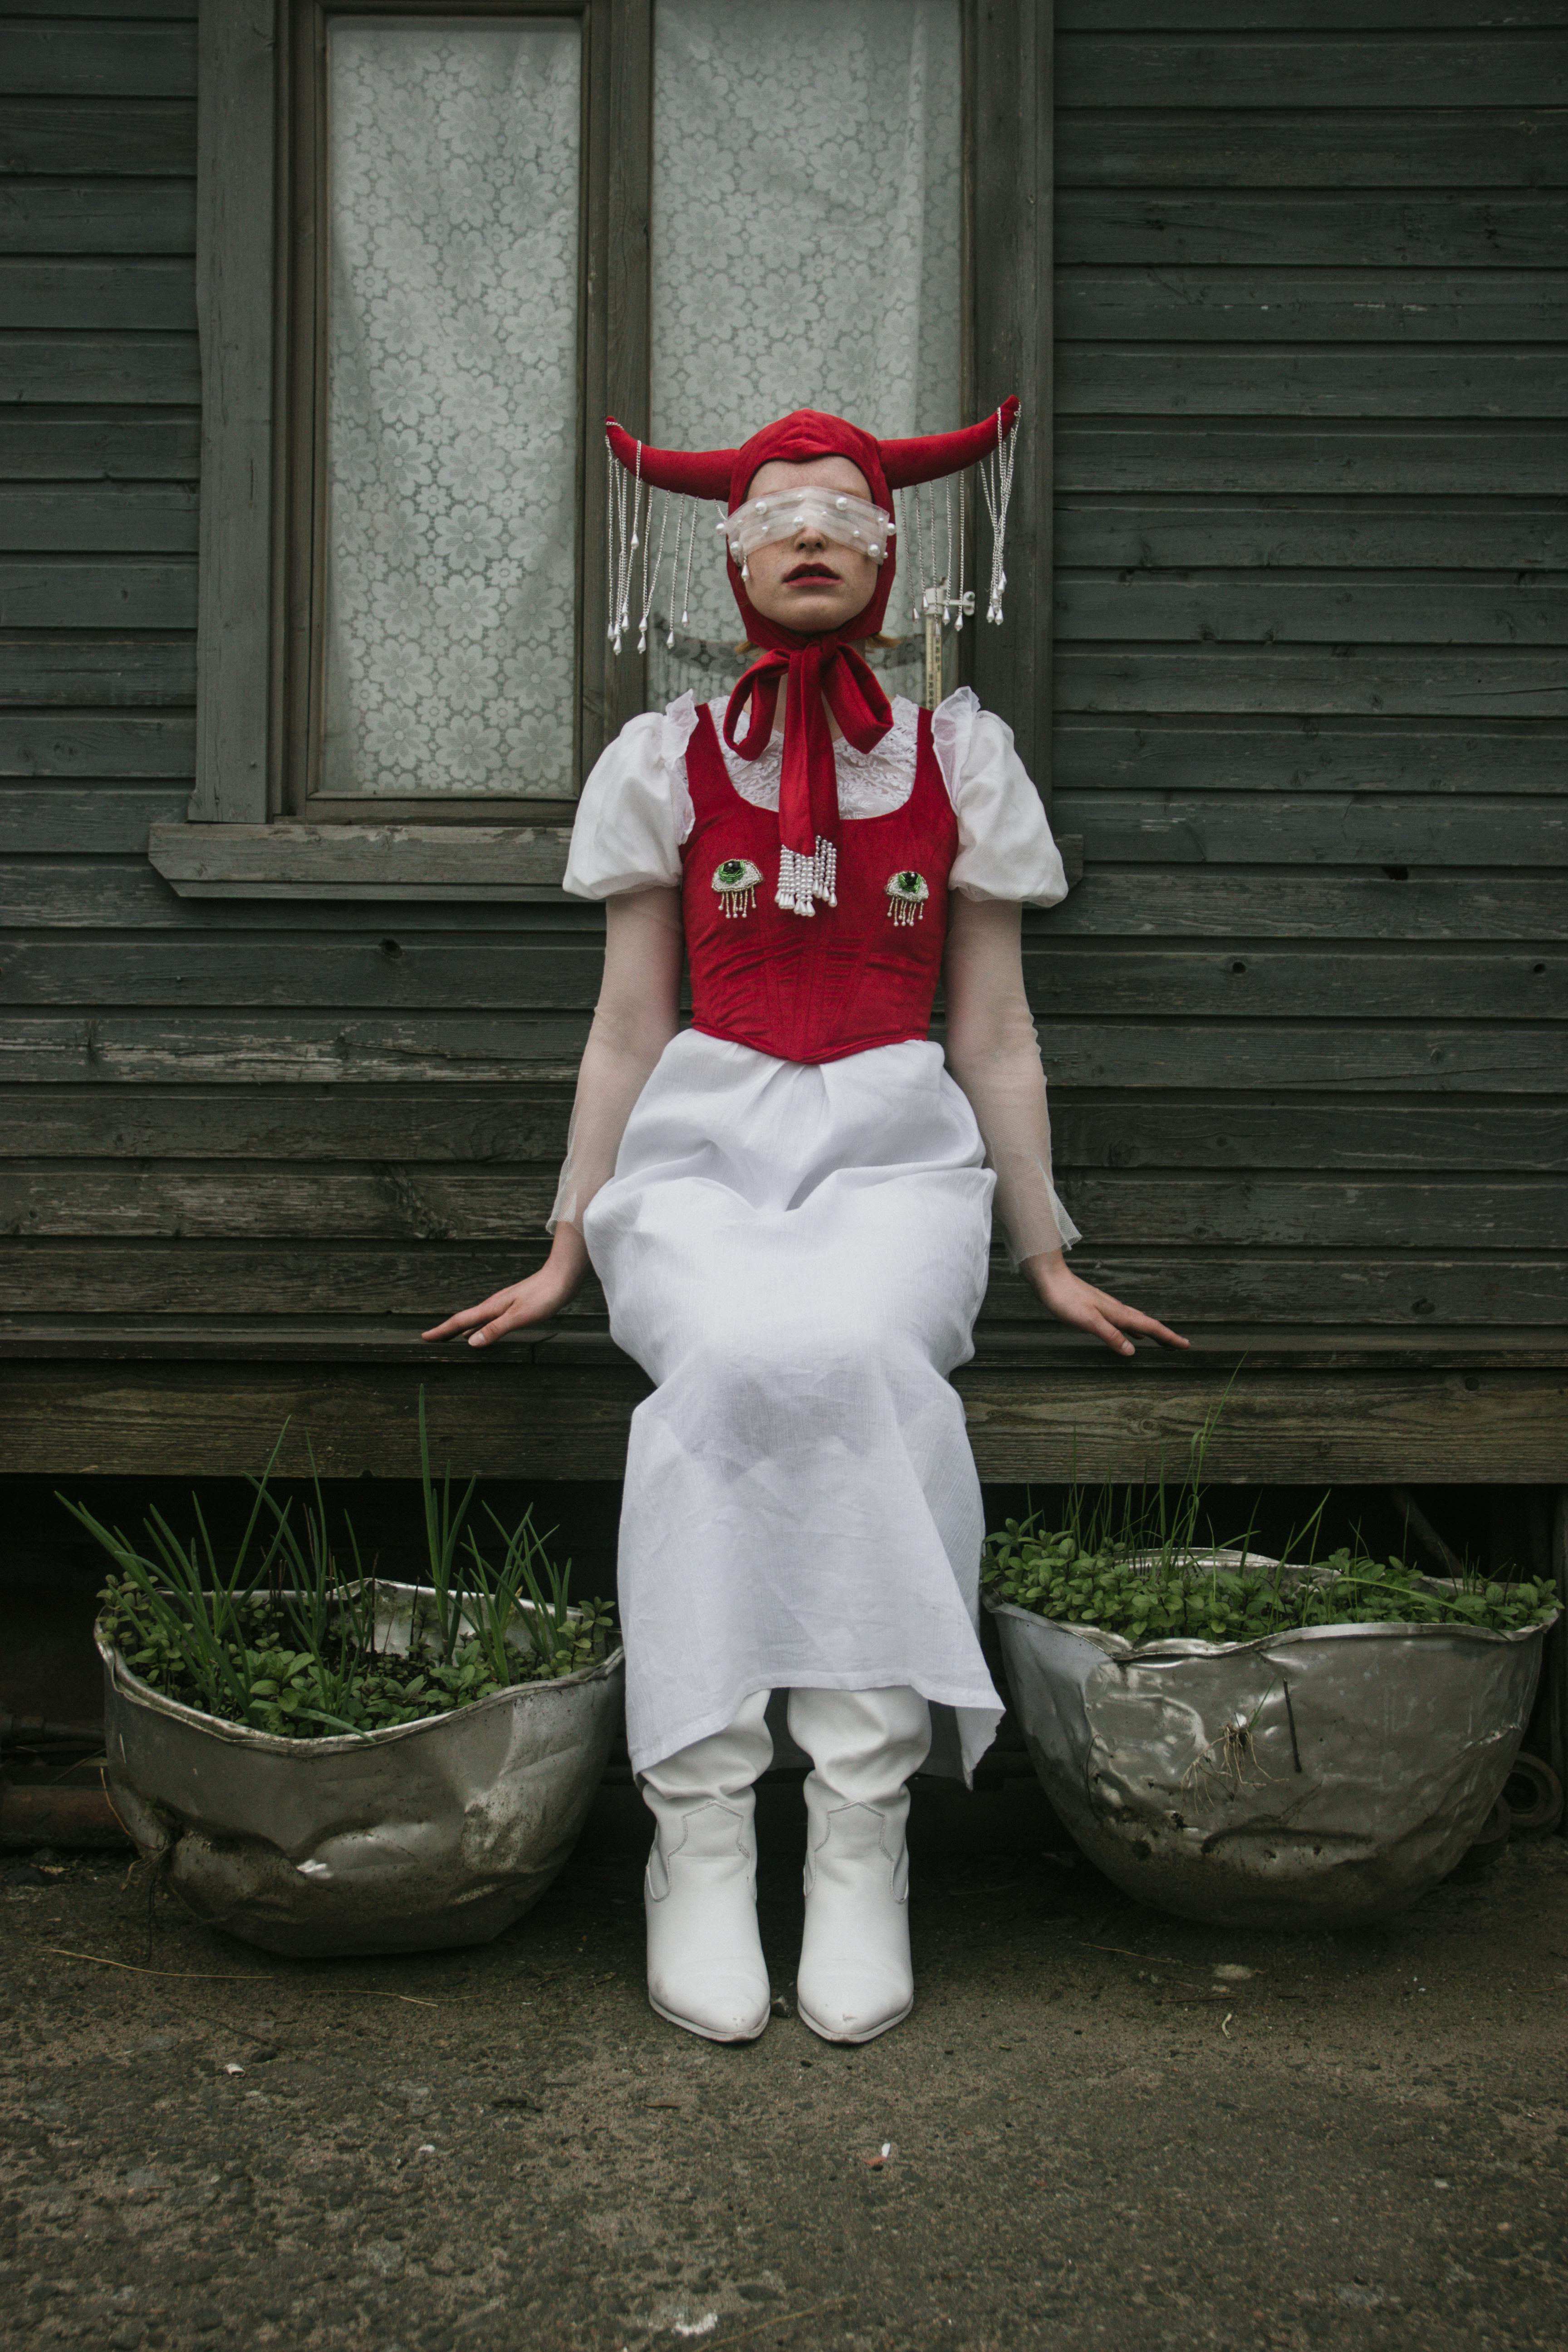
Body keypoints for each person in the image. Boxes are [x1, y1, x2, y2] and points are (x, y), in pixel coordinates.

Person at [425, 402, 1186, 2047]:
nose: (815, 532)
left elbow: (993, 1033)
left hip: (897, 1157)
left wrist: (1044, 1251)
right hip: (700, 1154)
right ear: (735, 557)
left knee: (850, 1358)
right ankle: (699, 1829)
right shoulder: (669, 758)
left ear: (897, 553)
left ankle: (860, 1832)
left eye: (848, 508)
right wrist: (568, 1240)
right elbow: (629, 1028)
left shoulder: (954, 758)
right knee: (728, 1365)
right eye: (781, 513)